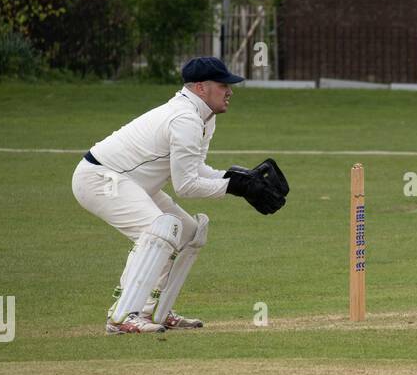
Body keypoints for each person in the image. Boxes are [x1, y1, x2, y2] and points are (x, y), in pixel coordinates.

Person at [72, 57, 288, 334]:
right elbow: (185, 185)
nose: (230, 91)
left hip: (134, 184)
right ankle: (123, 315)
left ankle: (155, 311)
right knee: (159, 230)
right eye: (223, 85)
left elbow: (194, 169)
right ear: (200, 88)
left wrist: (240, 179)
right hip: (101, 179)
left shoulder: (203, 118)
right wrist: (236, 188)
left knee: (188, 232)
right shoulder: (184, 118)